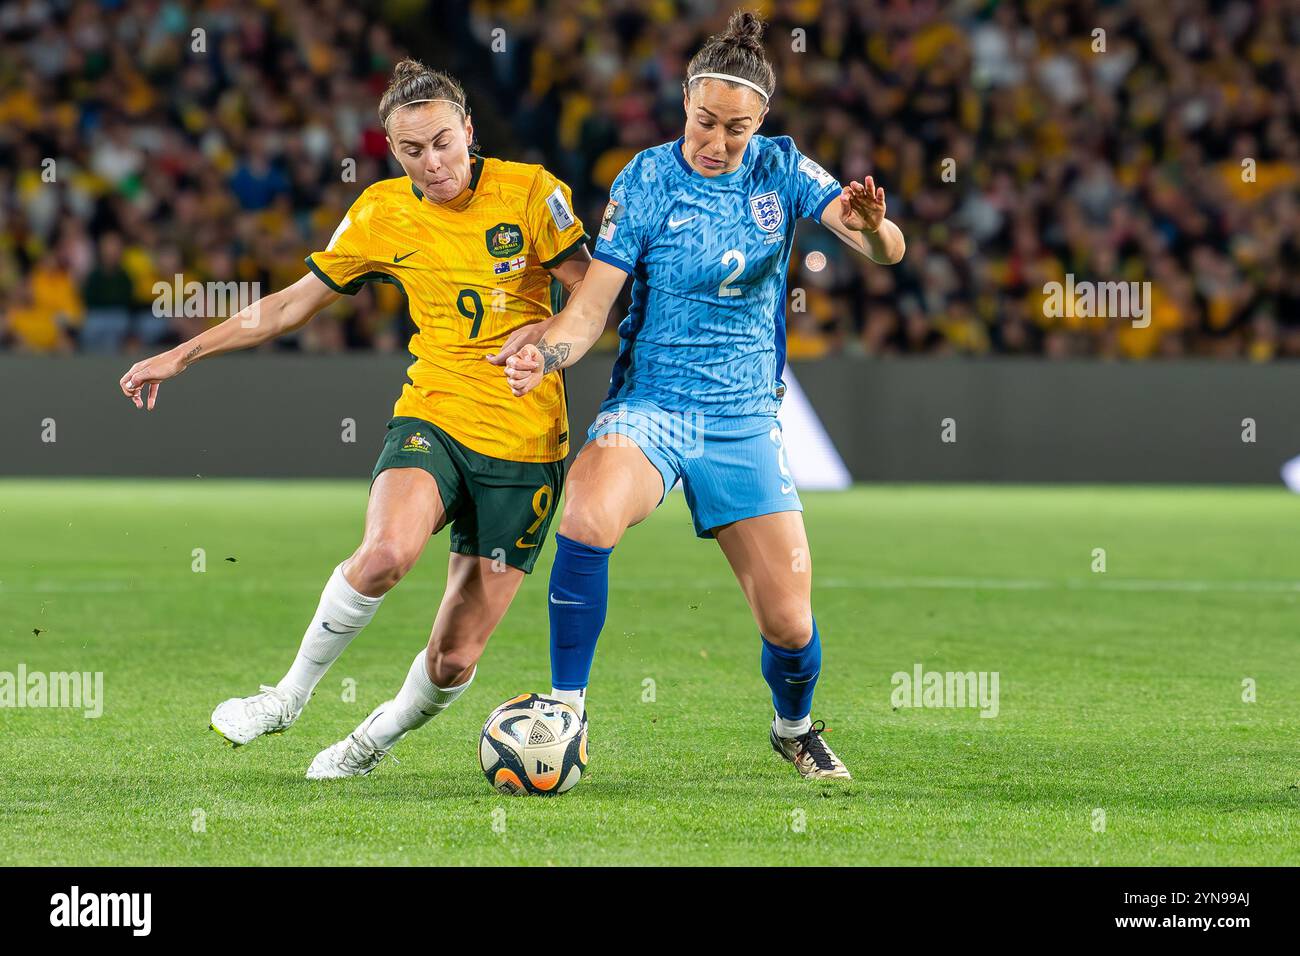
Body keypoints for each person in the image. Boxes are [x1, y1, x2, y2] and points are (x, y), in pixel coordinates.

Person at [119, 59, 591, 778]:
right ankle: (285, 697)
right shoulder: (380, 212)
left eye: (442, 142)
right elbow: (287, 305)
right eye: (412, 150)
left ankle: (367, 744)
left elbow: (594, 298)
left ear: (469, 129)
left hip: (527, 444)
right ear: (392, 151)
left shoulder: (532, 193)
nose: (432, 164)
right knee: (384, 555)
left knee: (454, 654)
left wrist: (547, 343)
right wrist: (183, 353)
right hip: (433, 415)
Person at [504, 11, 904, 780]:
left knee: (789, 625)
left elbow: (886, 250)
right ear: (684, 100)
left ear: (763, 122)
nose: (716, 142)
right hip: (650, 407)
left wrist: (879, 231)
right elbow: (591, 308)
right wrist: (544, 356)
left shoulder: (782, 170)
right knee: (586, 516)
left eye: (736, 129)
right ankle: (566, 711)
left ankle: (793, 727)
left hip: (743, 417)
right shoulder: (646, 180)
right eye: (705, 121)